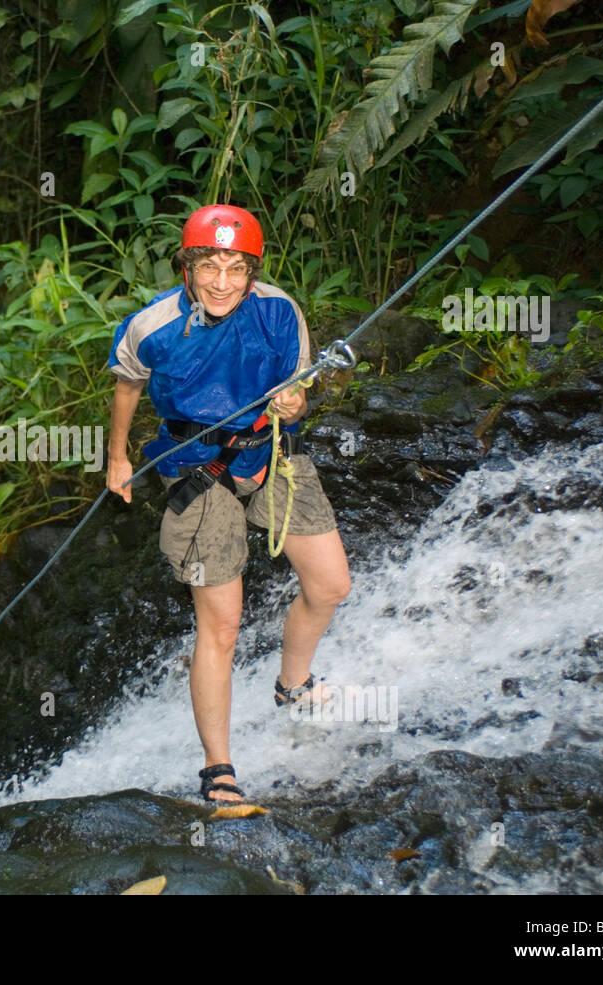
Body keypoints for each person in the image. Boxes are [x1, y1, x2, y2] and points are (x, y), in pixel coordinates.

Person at [105, 204, 351, 804]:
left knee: (330, 586)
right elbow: (127, 385)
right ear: (186, 266)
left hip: (269, 452)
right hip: (198, 467)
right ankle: (219, 771)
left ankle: (292, 686)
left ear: (251, 270)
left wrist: (296, 406)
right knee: (221, 624)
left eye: (236, 268)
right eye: (208, 265)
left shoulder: (279, 311)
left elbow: (298, 388)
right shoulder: (152, 326)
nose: (221, 281)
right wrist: (116, 458)